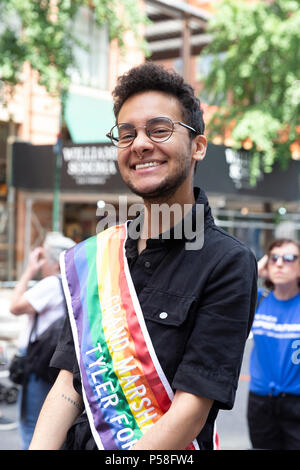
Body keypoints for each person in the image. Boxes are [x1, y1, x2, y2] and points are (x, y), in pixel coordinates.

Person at [29, 62, 257, 451]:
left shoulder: (228, 263)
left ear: (198, 145)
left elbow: (192, 409)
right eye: (127, 133)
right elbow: (69, 383)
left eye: (159, 129)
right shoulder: (94, 255)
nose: (140, 144)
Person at [9, 232, 75, 449]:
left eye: (44, 259)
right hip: (56, 362)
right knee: (52, 426)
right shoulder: (72, 285)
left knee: (31, 425)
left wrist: (29, 270)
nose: (42, 263)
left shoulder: (51, 285)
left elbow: (15, 305)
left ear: (56, 263)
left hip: (35, 364)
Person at [247, 238, 300, 450]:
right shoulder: (258, 299)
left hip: (296, 402)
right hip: (261, 403)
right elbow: (239, 281)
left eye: (289, 258)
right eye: (274, 258)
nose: (279, 263)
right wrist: (259, 268)